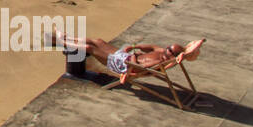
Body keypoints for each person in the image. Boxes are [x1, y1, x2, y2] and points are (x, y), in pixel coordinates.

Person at [52, 27, 200, 76]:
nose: (167, 51)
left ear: (174, 57)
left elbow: (144, 68)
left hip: (125, 65)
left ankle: (62, 41)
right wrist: (136, 47)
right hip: (127, 56)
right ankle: (68, 37)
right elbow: (152, 47)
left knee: (91, 48)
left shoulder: (163, 62)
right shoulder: (162, 52)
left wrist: (133, 61)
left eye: (171, 52)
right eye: (169, 48)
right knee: (98, 41)